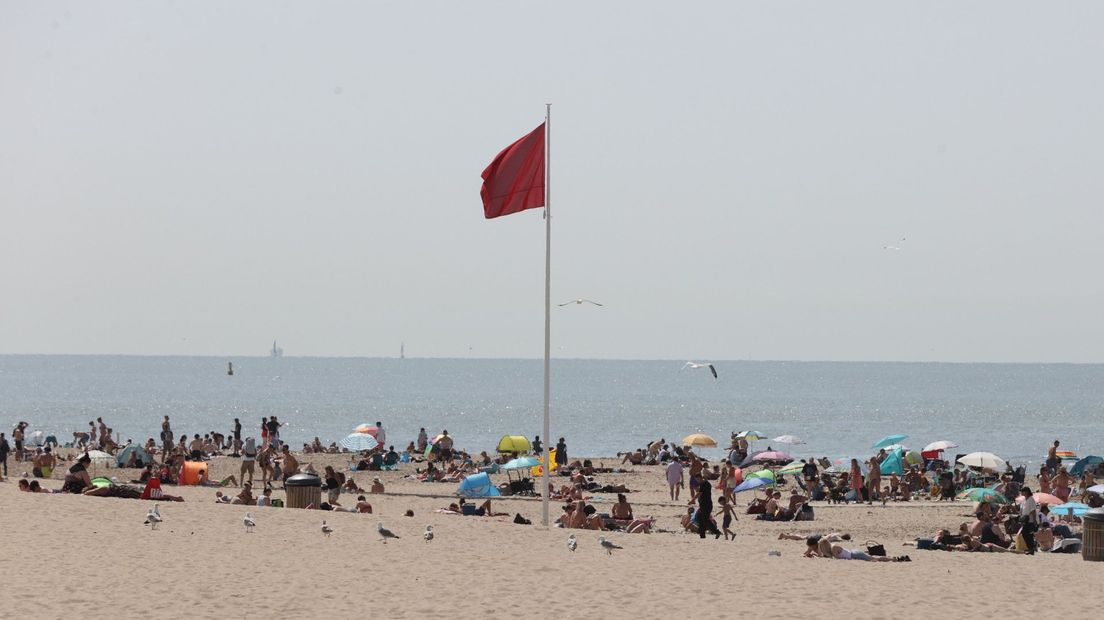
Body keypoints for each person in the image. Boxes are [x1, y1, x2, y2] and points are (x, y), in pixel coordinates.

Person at [1019, 487, 1039, 555]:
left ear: (1026, 492)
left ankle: (1031, 548)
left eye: (1023, 491)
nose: (1021, 493)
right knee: (1025, 534)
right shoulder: (1024, 500)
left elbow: (1033, 511)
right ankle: (1030, 548)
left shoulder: (1031, 499)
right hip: (1025, 520)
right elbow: (1021, 509)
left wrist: (1034, 521)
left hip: (1030, 520)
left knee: (1028, 534)